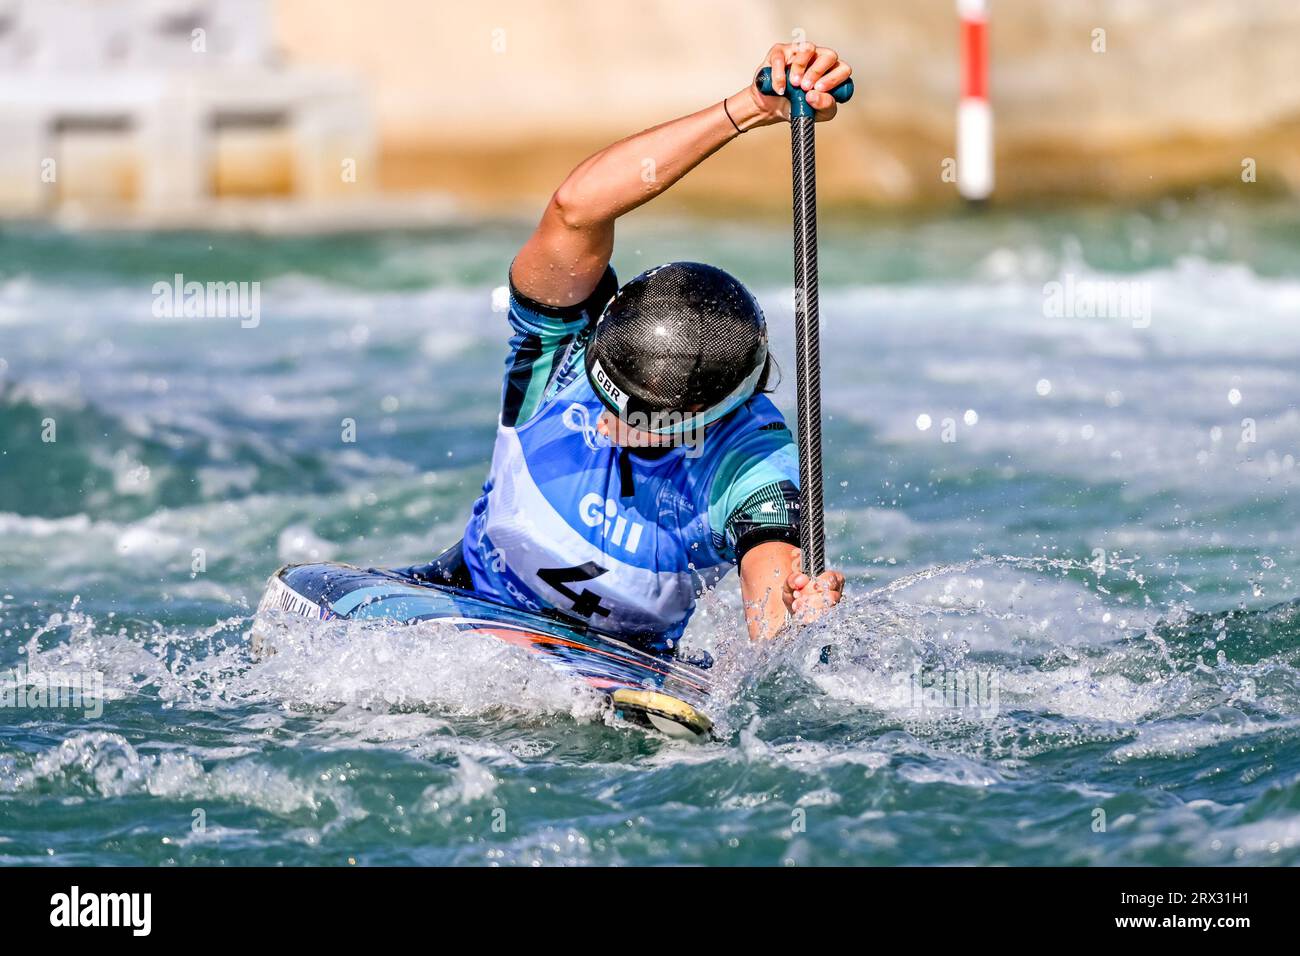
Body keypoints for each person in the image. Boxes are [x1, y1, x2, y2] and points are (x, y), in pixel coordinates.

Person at [426, 41, 848, 654]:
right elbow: (575, 209)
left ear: (707, 420)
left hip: (626, 663)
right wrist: (749, 109)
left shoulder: (752, 461)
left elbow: (770, 609)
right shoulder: (562, 344)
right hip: (469, 593)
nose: (606, 421)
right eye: (605, 395)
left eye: (637, 418)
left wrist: (797, 622)